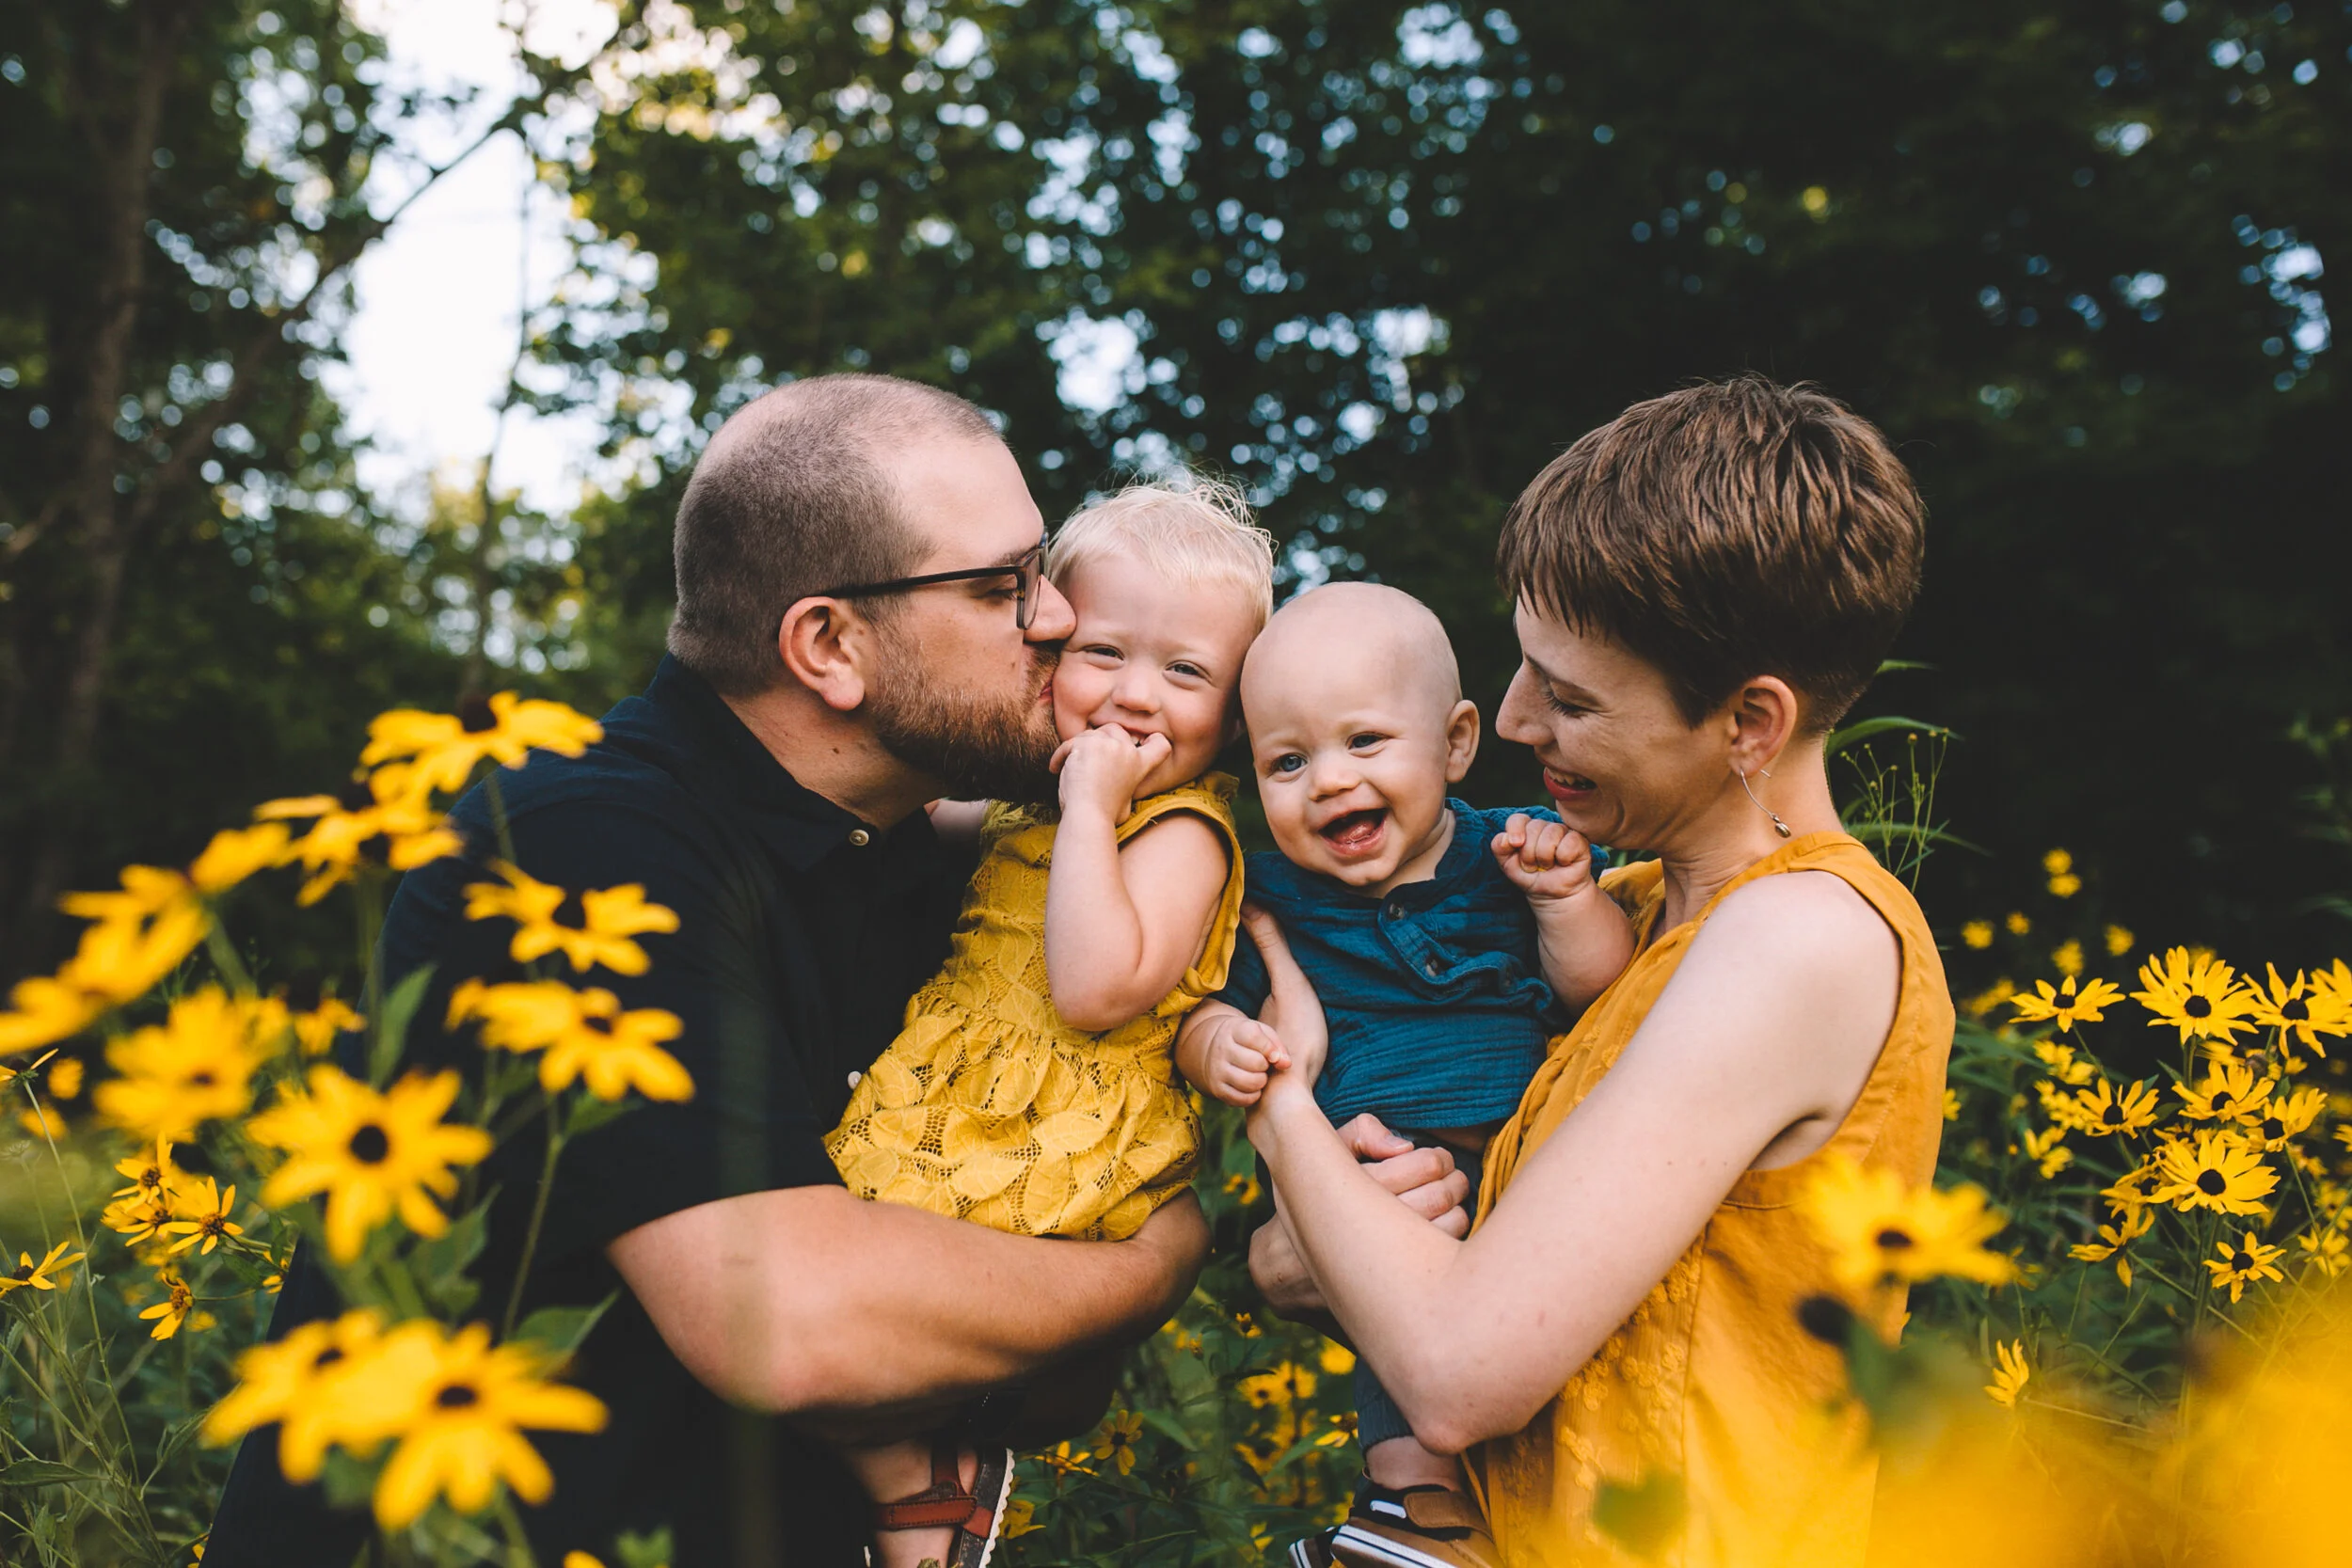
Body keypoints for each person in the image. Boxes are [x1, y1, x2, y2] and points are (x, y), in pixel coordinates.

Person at [205, 374, 1240, 1566]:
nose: (1059, 616)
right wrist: (1154, 1261)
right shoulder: (579, 850)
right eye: (1001, 586)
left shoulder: (950, 872)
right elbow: (797, 1324)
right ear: (828, 645)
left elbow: (1044, 1389)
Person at [1240, 375, 1952, 1568]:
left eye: (1568, 697)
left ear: (1749, 723)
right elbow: (1380, 1270)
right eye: (1525, 670)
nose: (1513, 722)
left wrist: (1280, 1099)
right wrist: (1313, 1239)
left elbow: (1461, 1372)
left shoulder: (1800, 937)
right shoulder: (1601, 916)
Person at [823, 480, 1274, 1568]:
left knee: (867, 1323)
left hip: (1053, 1135)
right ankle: (921, 1477)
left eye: (1185, 671)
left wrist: (1088, 811)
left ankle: (924, 1490)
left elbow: (1095, 984)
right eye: (1103, 652)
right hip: (945, 1096)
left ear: (1235, 712)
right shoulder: (1029, 791)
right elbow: (911, 813)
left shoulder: (1181, 831)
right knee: (828, 1300)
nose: (1134, 696)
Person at [1172, 581, 1633, 1541]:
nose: (1329, 781)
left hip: (1532, 1165)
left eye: (1364, 741)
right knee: (1401, 1337)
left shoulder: (1508, 851)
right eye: (1287, 760)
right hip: (1375, 1172)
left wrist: (1563, 902)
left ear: (1457, 742)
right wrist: (1214, 1038)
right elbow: (1201, 1003)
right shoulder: (1270, 900)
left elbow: (1599, 983)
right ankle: (1414, 1510)